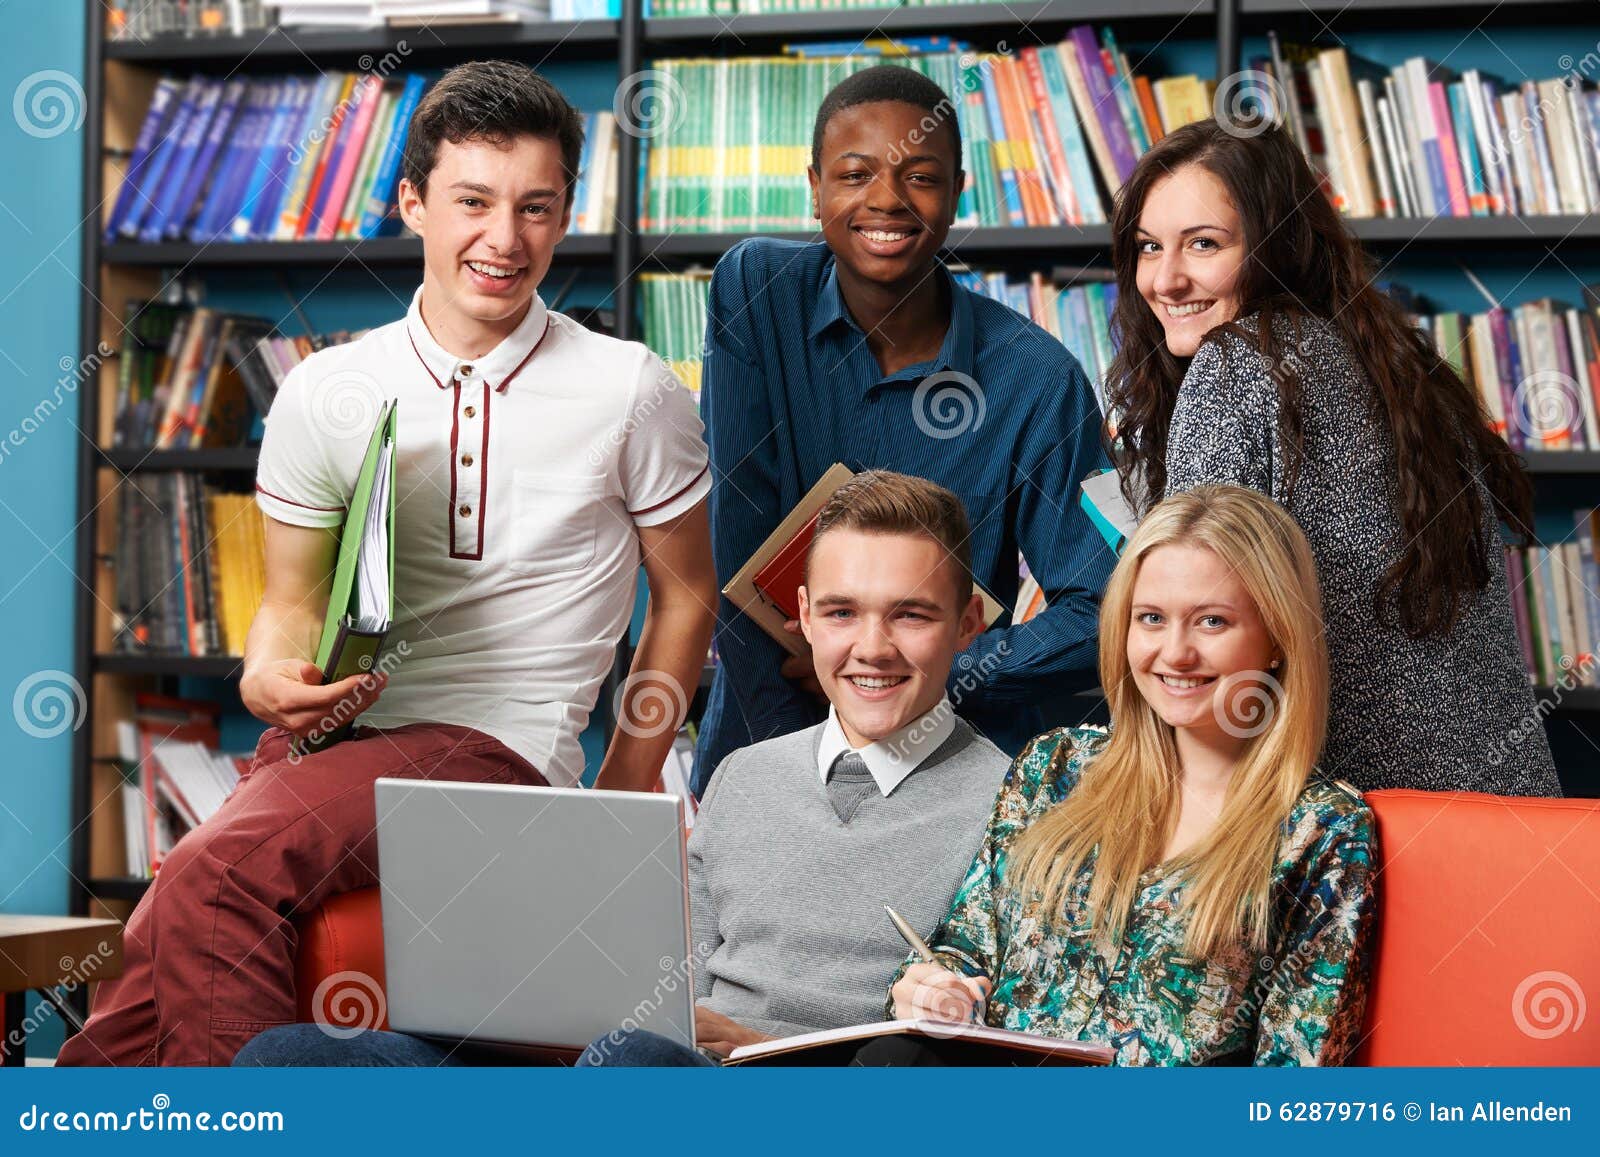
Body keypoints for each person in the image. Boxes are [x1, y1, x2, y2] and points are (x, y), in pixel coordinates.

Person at [60, 61, 717, 1068]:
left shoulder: (629, 387)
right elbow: (288, 605)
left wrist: (628, 777)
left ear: (565, 209)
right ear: (411, 199)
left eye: (536, 207)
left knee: (221, 872)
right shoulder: (327, 388)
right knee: (126, 1019)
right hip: (333, 740)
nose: (505, 239)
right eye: (474, 202)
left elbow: (686, 593)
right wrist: (266, 675)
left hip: (496, 748)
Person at [233, 472, 1011, 1066]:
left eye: (910, 613)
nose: (871, 647)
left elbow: (974, 1043)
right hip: (650, 1065)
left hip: (797, 1093)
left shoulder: (1011, 798)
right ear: (803, 616)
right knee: (291, 1059)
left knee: (635, 1064)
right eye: (842, 612)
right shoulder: (744, 775)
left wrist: (743, 1043)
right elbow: (673, 988)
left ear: (968, 622)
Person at [1103, 116, 1560, 797]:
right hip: (1504, 816)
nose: (1164, 279)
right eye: (1147, 246)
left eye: (1203, 244)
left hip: (1361, 835)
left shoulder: (1235, 366)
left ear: (1276, 248)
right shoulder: (1404, 368)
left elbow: (1193, 662)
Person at [692, 64, 1116, 794]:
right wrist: (781, 777)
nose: (885, 199)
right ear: (815, 187)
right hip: (762, 757)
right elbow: (740, 547)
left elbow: (1107, 605)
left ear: (957, 193)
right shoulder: (757, 293)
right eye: (854, 174)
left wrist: (945, 670)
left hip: (948, 781)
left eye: (920, 176)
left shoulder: (1039, 377)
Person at [888, 484, 1377, 1066]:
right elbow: (966, 950)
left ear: (1277, 638)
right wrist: (930, 986)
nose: (1174, 653)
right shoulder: (1055, 767)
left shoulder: (1322, 833)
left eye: (1212, 622)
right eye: (1151, 618)